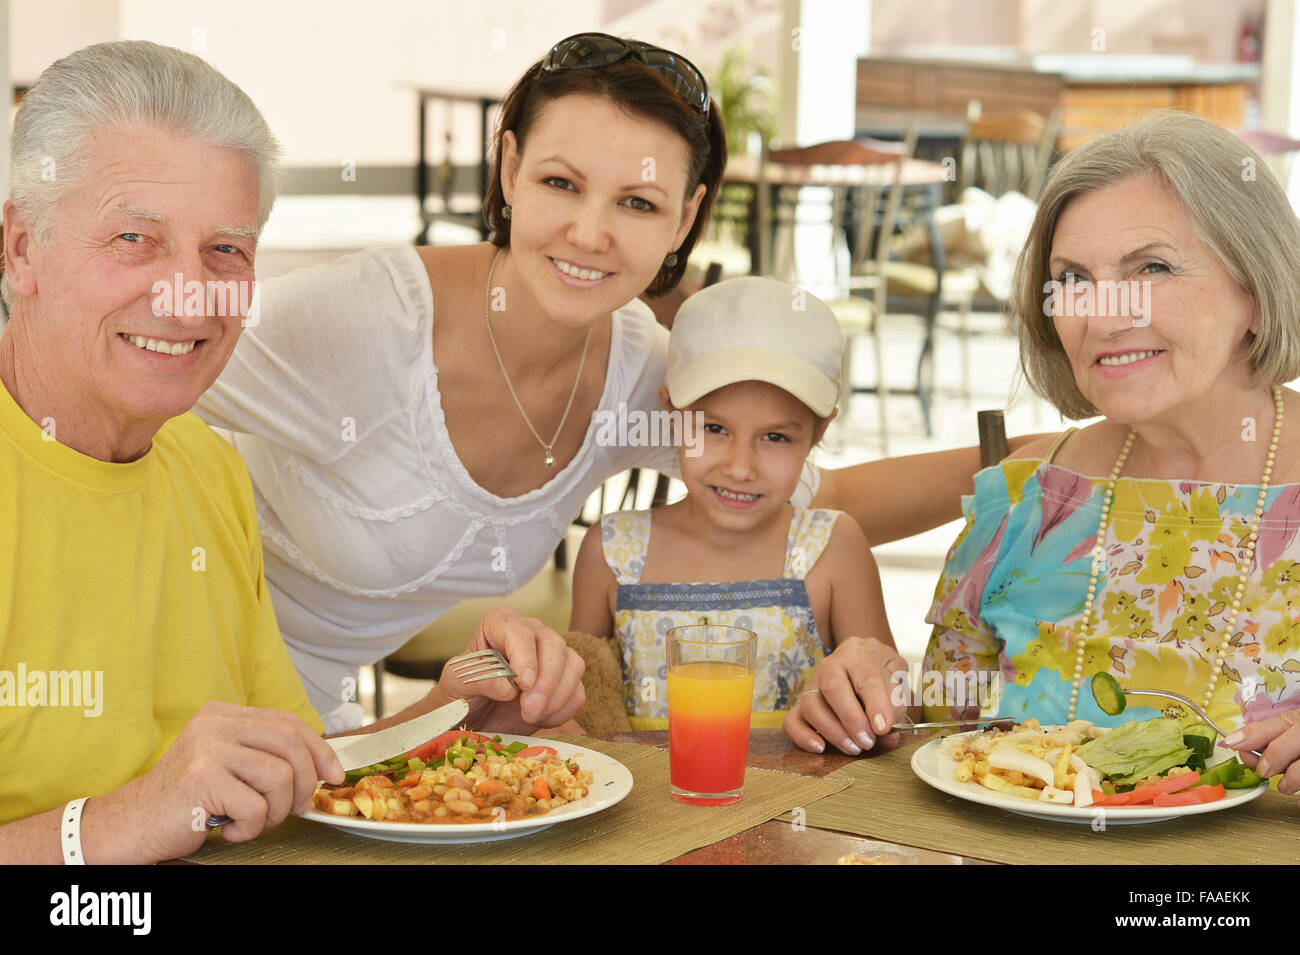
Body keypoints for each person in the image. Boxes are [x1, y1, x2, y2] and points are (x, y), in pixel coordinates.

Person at [194, 32, 1026, 736]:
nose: (589, 233)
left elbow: (807, 493)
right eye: (561, 183)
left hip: (309, 723)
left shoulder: (637, 370)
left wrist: (1037, 458)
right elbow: (118, 365)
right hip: (162, 673)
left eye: (636, 201)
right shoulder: (370, 322)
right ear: (510, 168)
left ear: (686, 217)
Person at [0, 40, 583, 865]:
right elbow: (157, 813)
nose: (186, 293)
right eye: (134, 237)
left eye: (226, 250)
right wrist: (121, 822)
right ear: (21, 249)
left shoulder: (205, 464)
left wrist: (456, 714)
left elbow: (294, 778)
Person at [913, 111, 1299, 800]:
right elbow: (937, 743)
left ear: (1257, 288)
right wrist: (855, 684)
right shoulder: (1022, 508)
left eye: (1151, 267)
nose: (1102, 314)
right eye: (1073, 278)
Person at [568, 277, 897, 743]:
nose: (740, 467)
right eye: (715, 428)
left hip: (801, 811)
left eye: (776, 437)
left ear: (820, 431)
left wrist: (867, 698)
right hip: (648, 813)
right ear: (670, 411)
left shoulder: (833, 547)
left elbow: (889, 712)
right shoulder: (612, 549)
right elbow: (582, 712)